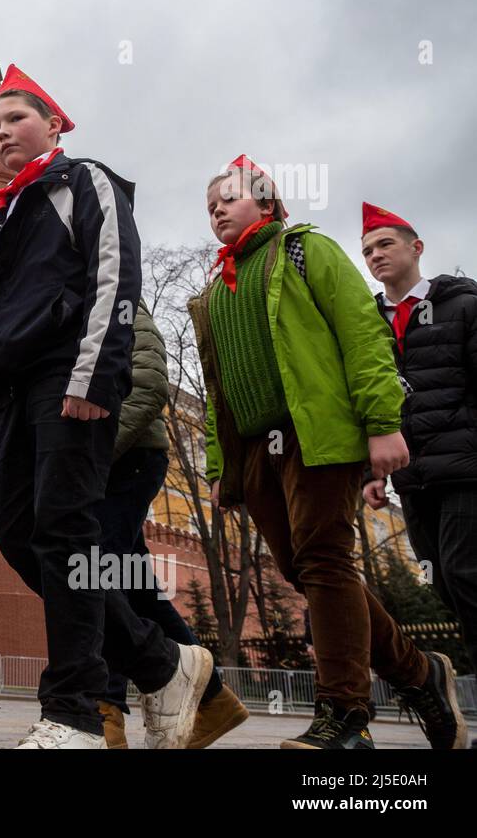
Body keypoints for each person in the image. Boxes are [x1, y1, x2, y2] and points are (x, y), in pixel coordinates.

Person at [0, 65, 212, 749]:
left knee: (65, 534)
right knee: (18, 535)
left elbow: (115, 275)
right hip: (14, 395)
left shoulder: (81, 180)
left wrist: (94, 379)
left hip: (71, 377)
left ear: (55, 125)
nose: (2, 133)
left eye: (16, 120)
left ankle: (76, 715)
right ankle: (161, 663)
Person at [189, 156, 462, 748]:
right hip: (257, 447)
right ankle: (421, 676)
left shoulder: (304, 250)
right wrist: (220, 466)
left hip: (317, 431)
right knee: (307, 569)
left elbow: (362, 332)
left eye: (228, 199)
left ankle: (345, 716)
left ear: (267, 204)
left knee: (322, 561)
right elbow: (216, 387)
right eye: (209, 205)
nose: (215, 210)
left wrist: (382, 423)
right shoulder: (214, 290)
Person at [93, 300, 248, 748]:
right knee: (137, 589)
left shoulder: (117, 296)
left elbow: (148, 384)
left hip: (128, 458)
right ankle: (215, 702)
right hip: (112, 462)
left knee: (98, 574)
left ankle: (105, 711)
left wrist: (91, 457)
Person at [361, 202, 475, 748]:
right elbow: (366, 399)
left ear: (416, 247)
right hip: (415, 480)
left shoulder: (462, 304)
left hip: (468, 468)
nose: (374, 256)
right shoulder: (368, 322)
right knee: (449, 586)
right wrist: (371, 472)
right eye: (367, 250)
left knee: (466, 573)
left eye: (384, 245)